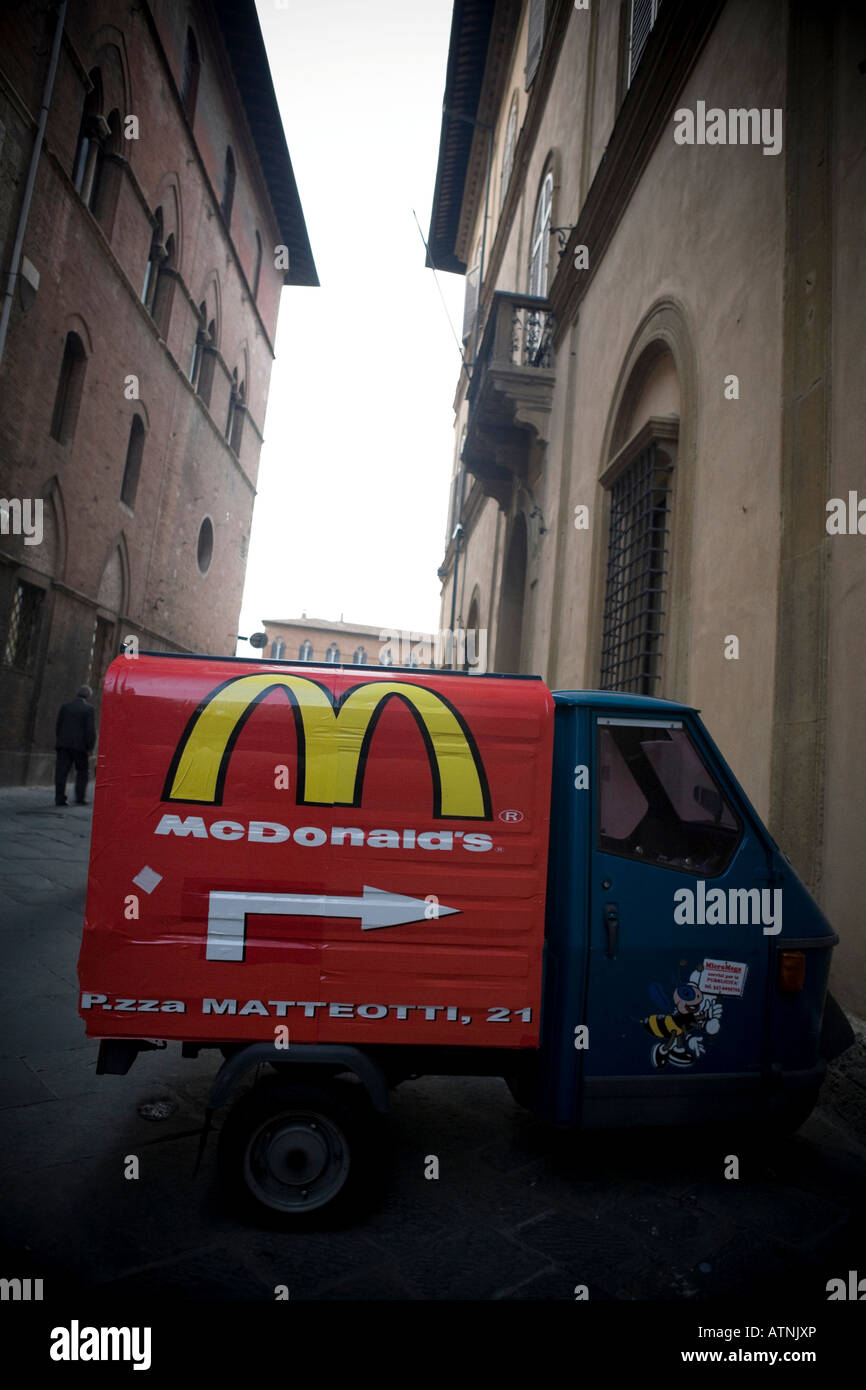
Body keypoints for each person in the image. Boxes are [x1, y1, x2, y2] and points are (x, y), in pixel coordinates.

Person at [55, 684, 96, 806]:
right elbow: (90, 730)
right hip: (80, 747)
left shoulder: (65, 707)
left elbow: (58, 726)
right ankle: (80, 797)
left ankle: (59, 798)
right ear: (88, 696)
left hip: (64, 745)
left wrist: (60, 741)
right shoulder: (89, 709)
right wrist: (90, 747)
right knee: (82, 772)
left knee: (61, 772)